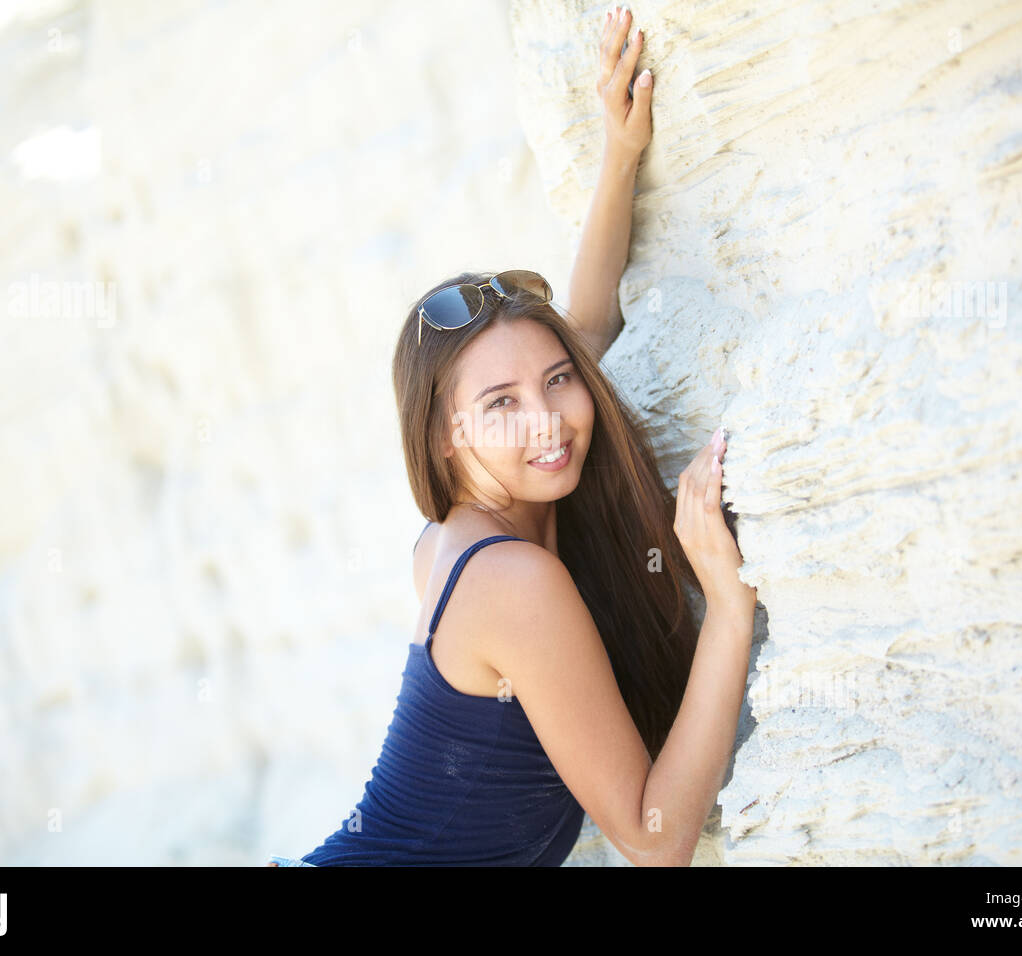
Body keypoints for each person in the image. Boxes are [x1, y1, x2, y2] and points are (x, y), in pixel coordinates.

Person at [267, 6, 756, 867]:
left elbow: (590, 328)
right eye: (501, 404)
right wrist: (726, 604)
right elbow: (657, 838)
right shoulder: (513, 581)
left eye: (556, 381)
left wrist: (620, 154)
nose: (548, 417)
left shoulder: (456, 538)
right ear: (445, 436)